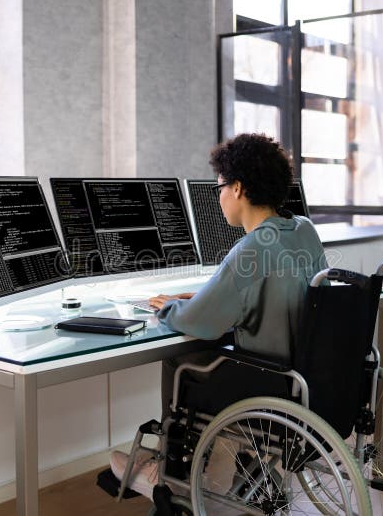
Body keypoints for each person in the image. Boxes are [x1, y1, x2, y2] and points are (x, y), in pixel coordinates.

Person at [109, 133, 327, 495]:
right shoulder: (303, 230)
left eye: (220, 187)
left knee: (181, 360)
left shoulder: (252, 248)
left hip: (267, 383)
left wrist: (170, 307)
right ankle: (236, 468)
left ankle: (166, 471)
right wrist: (208, 296)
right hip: (304, 379)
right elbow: (268, 289)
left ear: (238, 188)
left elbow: (201, 323)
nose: (219, 196)